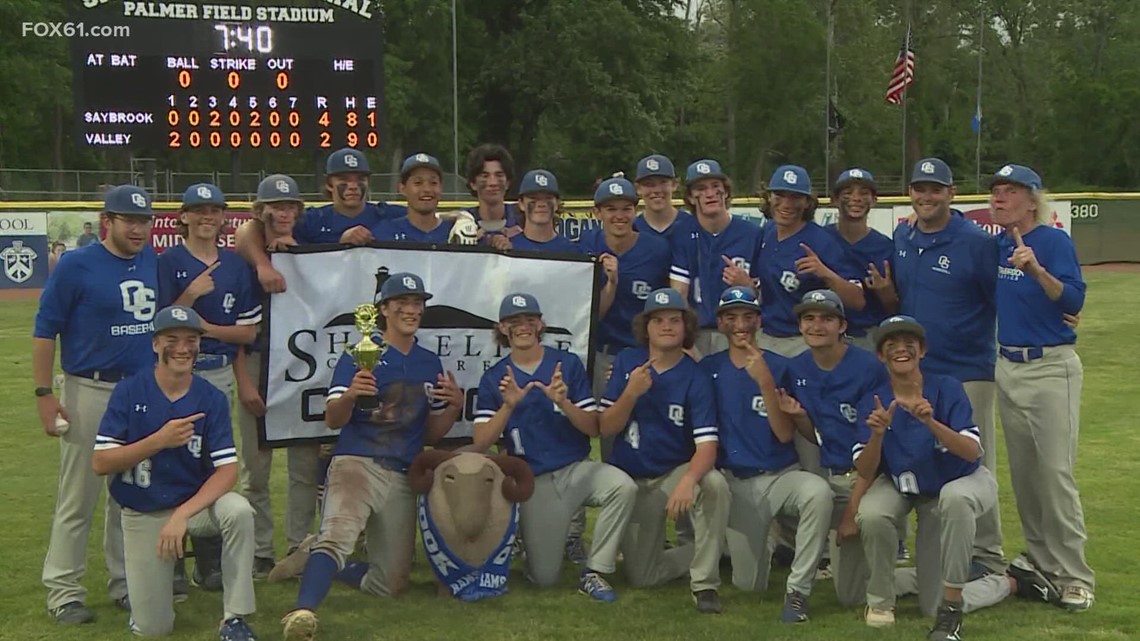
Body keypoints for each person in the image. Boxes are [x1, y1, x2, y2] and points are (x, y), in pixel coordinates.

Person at [281, 272, 464, 641]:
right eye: (404, 303)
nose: (411, 310)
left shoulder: (430, 361)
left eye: (417, 303)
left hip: (402, 472)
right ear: (384, 309)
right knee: (336, 535)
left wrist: (454, 408)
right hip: (357, 461)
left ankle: (311, 557)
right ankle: (303, 613)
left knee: (390, 584)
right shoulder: (360, 353)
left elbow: (430, 434)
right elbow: (333, 419)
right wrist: (349, 395)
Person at [92, 305, 257, 640]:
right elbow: (101, 462)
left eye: (191, 340)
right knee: (154, 629)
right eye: (173, 339)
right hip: (143, 510)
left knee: (238, 511)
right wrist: (157, 441)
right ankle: (152, 599)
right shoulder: (129, 391)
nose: (183, 348)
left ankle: (235, 617)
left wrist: (182, 516)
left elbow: (227, 471)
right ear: (155, 344)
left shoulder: (209, 397)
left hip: (194, 508)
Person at [33, 184, 156, 624]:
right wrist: (45, 394)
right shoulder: (77, 264)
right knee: (79, 496)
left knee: (129, 494)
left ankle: (125, 583)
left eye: (144, 220)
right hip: (90, 388)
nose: (139, 228)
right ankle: (64, 589)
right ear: (109, 221)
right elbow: (45, 330)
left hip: (138, 392)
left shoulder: (150, 260)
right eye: (130, 220)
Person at [472, 293, 636, 601]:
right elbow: (481, 442)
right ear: (503, 328)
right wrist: (507, 407)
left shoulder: (567, 365)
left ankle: (595, 570)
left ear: (540, 324)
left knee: (622, 486)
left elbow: (594, 428)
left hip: (576, 468)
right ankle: (533, 540)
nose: (523, 327)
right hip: (535, 481)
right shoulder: (496, 377)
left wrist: (564, 402)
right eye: (515, 322)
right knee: (544, 579)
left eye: (529, 321)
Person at [853, 315, 1001, 639]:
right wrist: (877, 435)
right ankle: (880, 602)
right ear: (881, 355)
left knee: (933, 605)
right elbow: (864, 470)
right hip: (906, 487)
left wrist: (932, 423)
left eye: (909, 344)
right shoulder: (873, 399)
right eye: (891, 345)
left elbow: (972, 453)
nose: (900, 350)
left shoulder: (946, 387)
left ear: (922, 350)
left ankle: (1002, 583)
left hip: (960, 481)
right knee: (873, 513)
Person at [893, 158, 1005, 576]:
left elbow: (1001, 301)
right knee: (916, 452)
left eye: (935, 189)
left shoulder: (975, 242)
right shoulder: (903, 236)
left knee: (974, 461)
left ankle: (987, 554)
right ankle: (927, 550)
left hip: (967, 368)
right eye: (920, 188)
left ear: (951, 193)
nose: (926, 196)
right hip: (915, 371)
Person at [989, 164, 1094, 611]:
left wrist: (1036, 271)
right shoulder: (995, 244)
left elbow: (1073, 299)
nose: (999, 197)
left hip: (1050, 368)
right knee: (1025, 476)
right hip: (1007, 365)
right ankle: (1040, 560)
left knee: (1054, 475)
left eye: (1010, 191)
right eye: (995, 191)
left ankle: (1075, 575)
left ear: (1032, 200)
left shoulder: (1053, 242)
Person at [702, 286, 832, 623]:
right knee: (750, 586)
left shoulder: (779, 366)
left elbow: (785, 433)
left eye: (747, 316)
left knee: (817, 492)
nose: (740, 324)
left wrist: (764, 382)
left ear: (759, 320)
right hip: (737, 481)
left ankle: (798, 591)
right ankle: (772, 542)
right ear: (720, 323)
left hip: (780, 474)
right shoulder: (708, 368)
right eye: (731, 317)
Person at [599, 288, 730, 614]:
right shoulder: (628, 361)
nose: (667, 326)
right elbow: (605, 428)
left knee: (712, 484)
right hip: (631, 482)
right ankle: (716, 549)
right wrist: (630, 393)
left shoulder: (696, 376)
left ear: (686, 327)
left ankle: (705, 585)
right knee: (643, 576)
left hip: (672, 473)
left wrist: (687, 481)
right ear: (646, 326)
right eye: (658, 320)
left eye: (675, 320)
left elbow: (707, 446)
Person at [233, 175, 322, 580]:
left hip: (302, 366)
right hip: (256, 362)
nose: (284, 213)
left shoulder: (307, 244)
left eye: (291, 207)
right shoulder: (247, 256)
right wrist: (244, 380)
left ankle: (299, 547)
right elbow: (241, 233)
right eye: (276, 207)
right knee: (257, 467)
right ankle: (260, 551)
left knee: (304, 467)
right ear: (261, 211)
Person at [784, 289, 886, 606]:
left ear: (842, 326)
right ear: (800, 326)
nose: (817, 326)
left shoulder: (868, 367)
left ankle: (914, 576)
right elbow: (816, 435)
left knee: (852, 597)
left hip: (869, 481)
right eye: (809, 318)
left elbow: (871, 455)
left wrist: (851, 513)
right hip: (833, 477)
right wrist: (800, 416)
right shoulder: (797, 368)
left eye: (826, 318)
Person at [235, 147, 405, 292]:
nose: (353, 186)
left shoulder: (387, 214)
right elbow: (246, 230)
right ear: (329, 183)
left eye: (360, 179)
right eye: (344, 180)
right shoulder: (312, 220)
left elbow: (425, 219)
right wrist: (263, 264)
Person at [755, 165, 865, 359]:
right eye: (780, 195)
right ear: (769, 197)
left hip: (804, 342)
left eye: (795, 197)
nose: (786, 204)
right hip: (766, 336)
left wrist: (826, 274)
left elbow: (858, 301)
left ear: (807, 202)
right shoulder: (768, 232)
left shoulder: (821, 242)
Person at [578, 177, 671, 396]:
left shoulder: (657, 249)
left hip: (644, 353)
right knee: (603, 424)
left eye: (626, 209)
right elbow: (591, 317)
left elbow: (666, 307)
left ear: (635, 211)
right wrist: (611, 283)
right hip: (601, 351)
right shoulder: (587, 245)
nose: (619, 216)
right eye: (611, 209)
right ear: (597, 213)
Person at [667, 159, 762, 356]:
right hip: (697, 334)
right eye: (701, 188)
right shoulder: (682, 234)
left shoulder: (751, 234)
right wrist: (686, 343)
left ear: (726, 192)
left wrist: (748, 285)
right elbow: (679, 293)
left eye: (716, 186)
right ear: (691, 197)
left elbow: (766, 297)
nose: (710, 194)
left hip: (740, 333)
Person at [826, 168, 897, 350]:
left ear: (874, 201)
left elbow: (894, 310)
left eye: (864, 193)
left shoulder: (886, 247)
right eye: (848, 193)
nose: (856, 198)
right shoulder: (819, 239)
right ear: (834, 200)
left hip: (869, 336)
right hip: (825, 333)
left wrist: (887, 295)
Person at [371, 154, 454, 244]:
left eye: (433, 183)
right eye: (418, 183)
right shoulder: (385, 232)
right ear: (402, 188)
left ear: (441, 188)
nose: (427, 189)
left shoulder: (454, 231)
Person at [503, 169, 580, 253]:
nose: (541, 204)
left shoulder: (572, 251)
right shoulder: (509, 248)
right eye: (533, 198)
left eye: (548, 198)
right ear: (521, 204)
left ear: (557, 203)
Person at [463, 143, 521, 248]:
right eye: (485, 176)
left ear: (508, 182)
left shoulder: (523, 221)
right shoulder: (462, 221)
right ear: (473, 183)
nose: (493, 182)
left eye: (499, 175)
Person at [632, 154, 699, 244]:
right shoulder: (631, 229)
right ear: (638, 189)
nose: (657, 190)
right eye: (649, 184)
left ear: (674, 185)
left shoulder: (694, 225)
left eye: (663, 182)